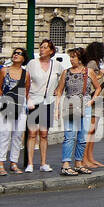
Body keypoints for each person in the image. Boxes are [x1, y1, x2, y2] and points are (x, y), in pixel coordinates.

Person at [25, 39, 66, 172]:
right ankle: (30, 163)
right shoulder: (32, 63)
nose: (41, 49)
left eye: (44, 47)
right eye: (41, 47)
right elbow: (25, 81)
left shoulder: (57, 65)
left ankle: (43, 163)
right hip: (33, 101)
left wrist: (58, 89)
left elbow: (64, 77)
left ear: (51, 51)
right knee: (32, 133)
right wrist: (27, 98)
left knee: (43, 134)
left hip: (48, 102)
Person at [53, 47, 94, 176]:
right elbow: (59, 91)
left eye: (73, 57)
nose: (71, 59)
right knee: (69, 136)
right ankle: (66, 164)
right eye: (70, 57)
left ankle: (78, 163)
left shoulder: (89, 72)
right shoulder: (66, 73)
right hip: (70, 105)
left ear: (80, 59)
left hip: (85, 106)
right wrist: (57, 108)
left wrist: (92, 101)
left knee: (82, 137)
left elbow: (98, 88)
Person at [0, 48, 29, 175]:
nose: (16, 55)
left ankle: (13, 162)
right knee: (5, 134)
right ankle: (1, 163)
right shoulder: (4, 70)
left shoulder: (25, 73)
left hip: (20, 105)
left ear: (24, 58)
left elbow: (27, 90)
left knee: (17, 135)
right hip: (6, 104)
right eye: (15, 53)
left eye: (19, 53)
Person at [82, 42, 104, 169]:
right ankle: (84, 158)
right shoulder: (92, 63)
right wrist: (100, 74)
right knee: (90, 131)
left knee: (93, 131)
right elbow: (89, 79)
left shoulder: (96, 63)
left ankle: (90, 157)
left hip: (98, 100)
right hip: (93, 100)